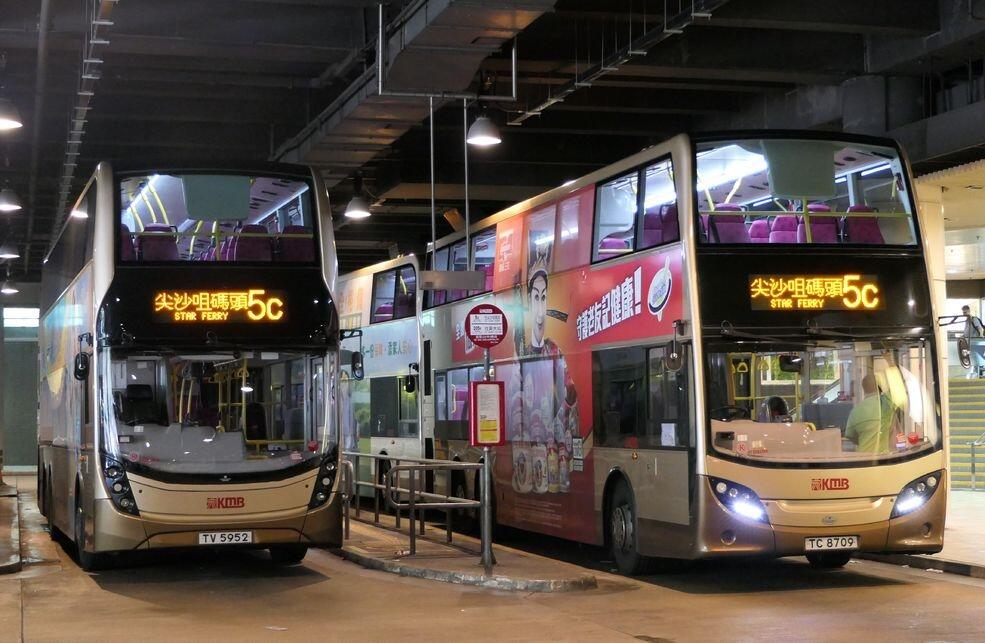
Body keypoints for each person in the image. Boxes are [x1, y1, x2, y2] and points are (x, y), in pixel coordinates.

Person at [844, 374, 896, 454]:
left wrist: (865, 437)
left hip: (862, 457)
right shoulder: (885, 403)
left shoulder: (855, 411)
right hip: (881, 457)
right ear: (879, 387)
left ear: (864, 389)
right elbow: (899, 393)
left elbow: (849, 435)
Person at [962, 305, 985, 378]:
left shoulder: (973, 319)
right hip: (970, 341)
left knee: (977, 357)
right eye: (963, 312)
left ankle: (980, 373)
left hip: (975, 341)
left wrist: (981, 336)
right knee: (974, 358)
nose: (964, 314)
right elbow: (966, 330)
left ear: (969, 311)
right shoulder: (966, 321)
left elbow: (980, 328)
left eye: (965, 312)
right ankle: (977, 372)